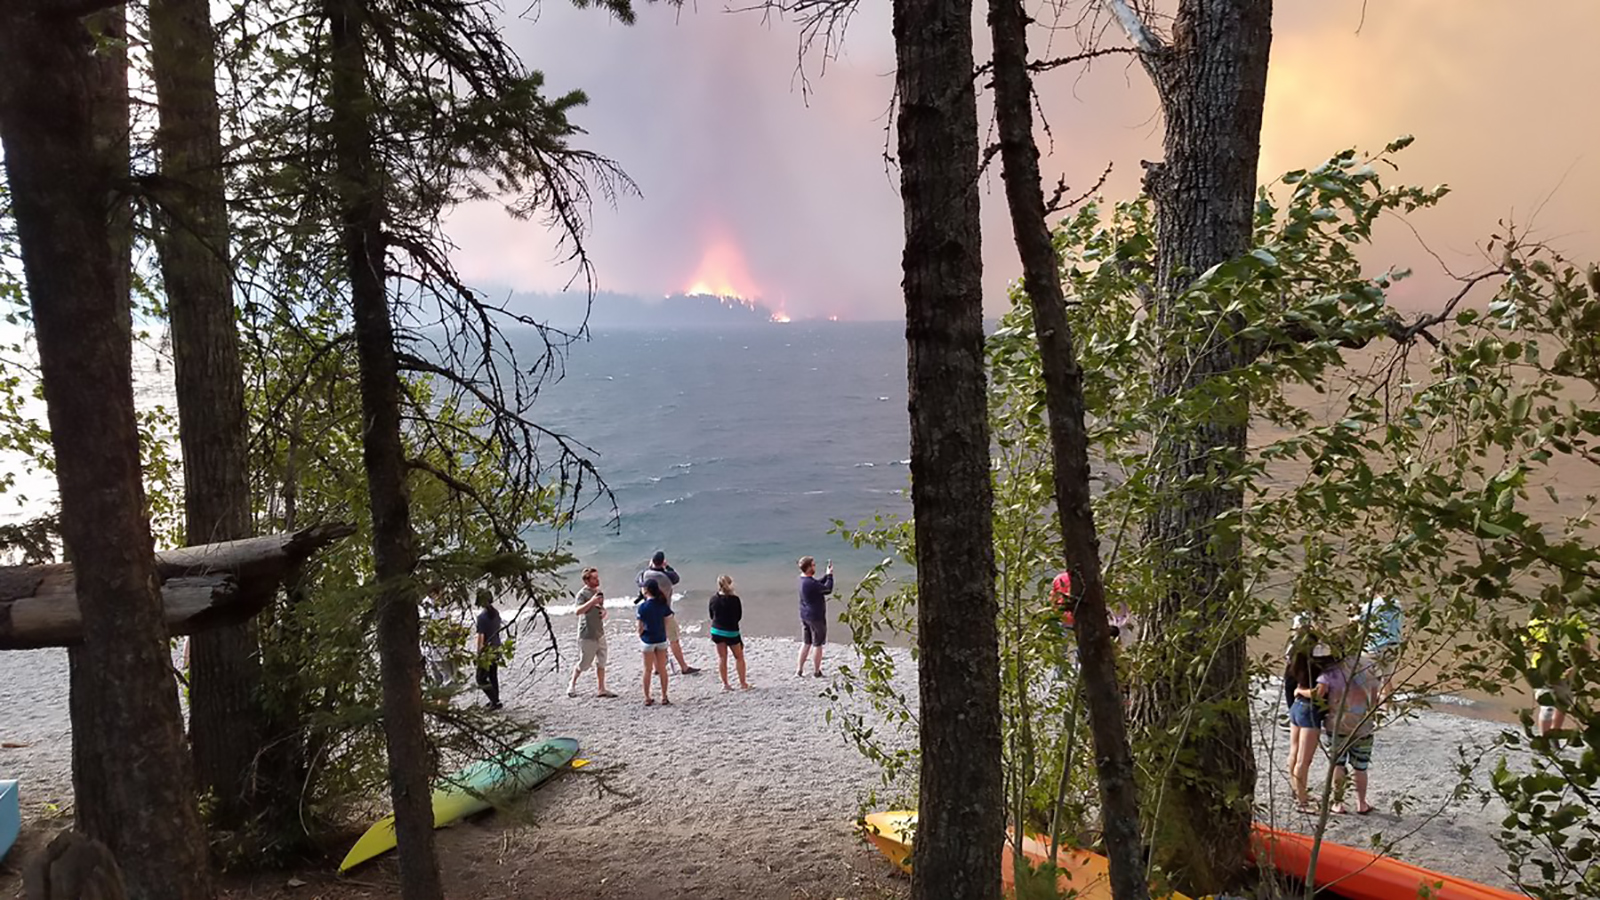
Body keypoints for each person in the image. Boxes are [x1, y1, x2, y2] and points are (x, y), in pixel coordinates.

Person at [1319, 645, 1379, 815]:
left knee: (1338, 764)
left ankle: (1338, 802)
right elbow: (1374, 699)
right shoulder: (1370, 666)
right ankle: (1361, 802)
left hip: (1337, 724)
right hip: (1363, 726)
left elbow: (1321, 694)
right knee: (1361, 767)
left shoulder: (1331, 669)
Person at [1283, 620, 1328, 814]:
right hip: (1309, 709)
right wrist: (1304, 692)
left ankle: (1296, 790)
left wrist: (1297, 693)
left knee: (1294, 752)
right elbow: (1318, 692)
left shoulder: (1295, 663)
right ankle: (1302, 801)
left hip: (1296, 708)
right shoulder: (1317, 667)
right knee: (1304, 759)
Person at [639, 550, 699, 675]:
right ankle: (683, 666)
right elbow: (676, 577)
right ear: (662, 562)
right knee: (673, 639)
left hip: (649, 611)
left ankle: (657, 667)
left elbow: (638, 580)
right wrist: (666, 566)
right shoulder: (666, 576)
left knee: (654, 640)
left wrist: (651, 566)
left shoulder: (645, 574)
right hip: (665, 611)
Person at [568, 568, 617, 699]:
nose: (597, 580)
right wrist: (591, 602)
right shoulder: (582, 594)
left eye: (597, 577)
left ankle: (601, 688)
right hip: (587, 634)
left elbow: (600, 607)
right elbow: (578, 611)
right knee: (584, 663)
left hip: (599, 631)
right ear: (587, 580)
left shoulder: (599, 592)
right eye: (594, 578)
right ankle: (572, 684)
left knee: (602, 661)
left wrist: (604, 611)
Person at [1356, 593, 1404, 702]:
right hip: (1393, 644)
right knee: (1386, 678)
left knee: (1370, 679)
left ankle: (1372, 706)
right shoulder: (1397, 605)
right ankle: (1388, 707)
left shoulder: (1369, 606)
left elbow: (1362, 628)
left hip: (1374, 645)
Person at [709, 574, 752, 691]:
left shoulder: (713, 599)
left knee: (722, 657)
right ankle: (743, 683)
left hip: (716, 630)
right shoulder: (735, 600)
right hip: (731, 631)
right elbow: (738, 616)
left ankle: (725, 684)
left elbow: (711, 615)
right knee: (739, 657)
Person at [636, 578, 673, 706]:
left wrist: (640, 635)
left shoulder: (643, 607)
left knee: (647, 669)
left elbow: (639, 627)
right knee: (662, 668)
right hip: (661, 638)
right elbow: (668, 620)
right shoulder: (662, 604)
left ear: (646, 590)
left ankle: (647, 697)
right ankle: (664, 696)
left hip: (648, 640)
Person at [796, 556, 833, 677]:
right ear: (808, 568)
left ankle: (799, 669)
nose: (814, 566)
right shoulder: (810, 583)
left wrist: (826, 575)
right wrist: (830, 576)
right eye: (813, 565)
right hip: (816, 617)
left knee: (806, 642)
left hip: (805, 615)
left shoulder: (803, 580)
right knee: (817, 644)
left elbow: (818, 584)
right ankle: (817, 671)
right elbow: (827, 589)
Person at [474, 589, 504, 710]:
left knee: (480, 679)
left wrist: (479, 653)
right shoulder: (496, 613)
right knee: (493, 676)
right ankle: (495, 700)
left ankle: (494, 700)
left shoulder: (481, 617)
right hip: (497, 647)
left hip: (487, 651)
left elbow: (481, 637)